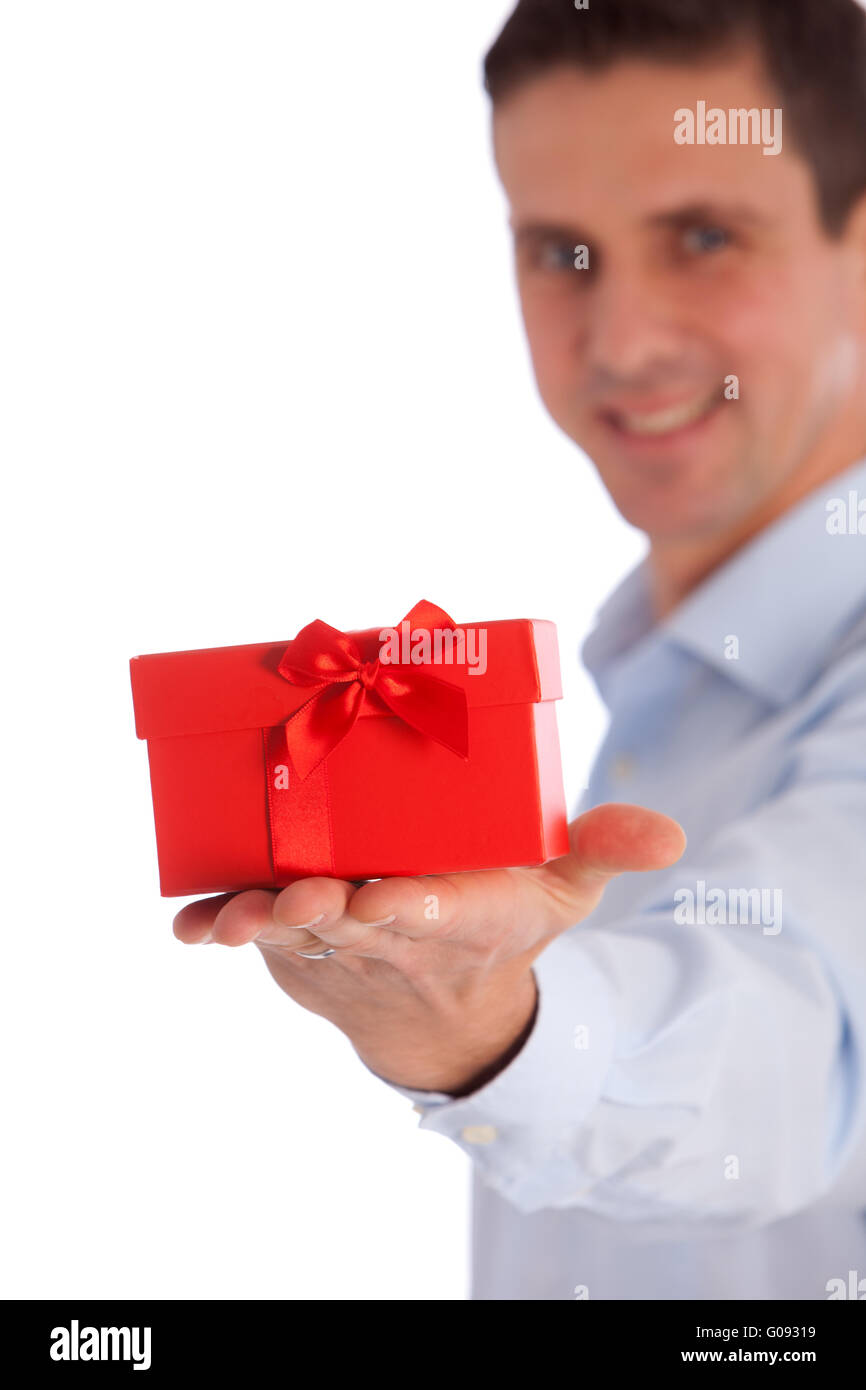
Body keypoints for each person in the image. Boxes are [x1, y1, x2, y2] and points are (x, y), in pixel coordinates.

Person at [173, 0, 866, 1300]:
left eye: (704, 237)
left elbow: (805, 1039)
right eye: (561, 251)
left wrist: (494, 1023)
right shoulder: (652, 681)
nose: (621, 342)